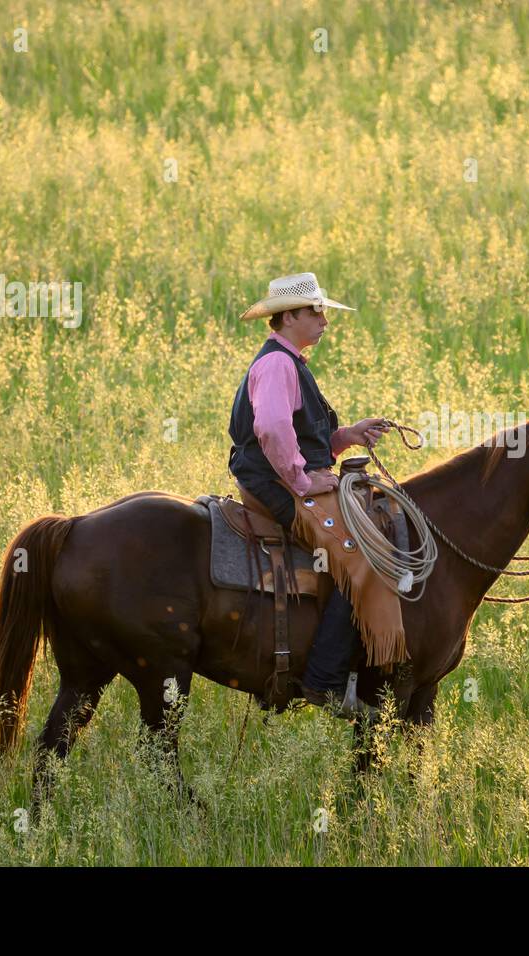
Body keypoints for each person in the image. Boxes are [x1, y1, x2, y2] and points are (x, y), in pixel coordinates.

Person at [228, 272, 389, 713]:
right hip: (275, 486)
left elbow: (296, 434)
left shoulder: (288, 361)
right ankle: (325, 681)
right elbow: (273, 430)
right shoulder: (279, 365)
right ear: (290, 316)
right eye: (316, 311)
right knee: (360, 556)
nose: (324, 320)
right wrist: (302, 481)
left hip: (280, 478)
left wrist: (346, 437)